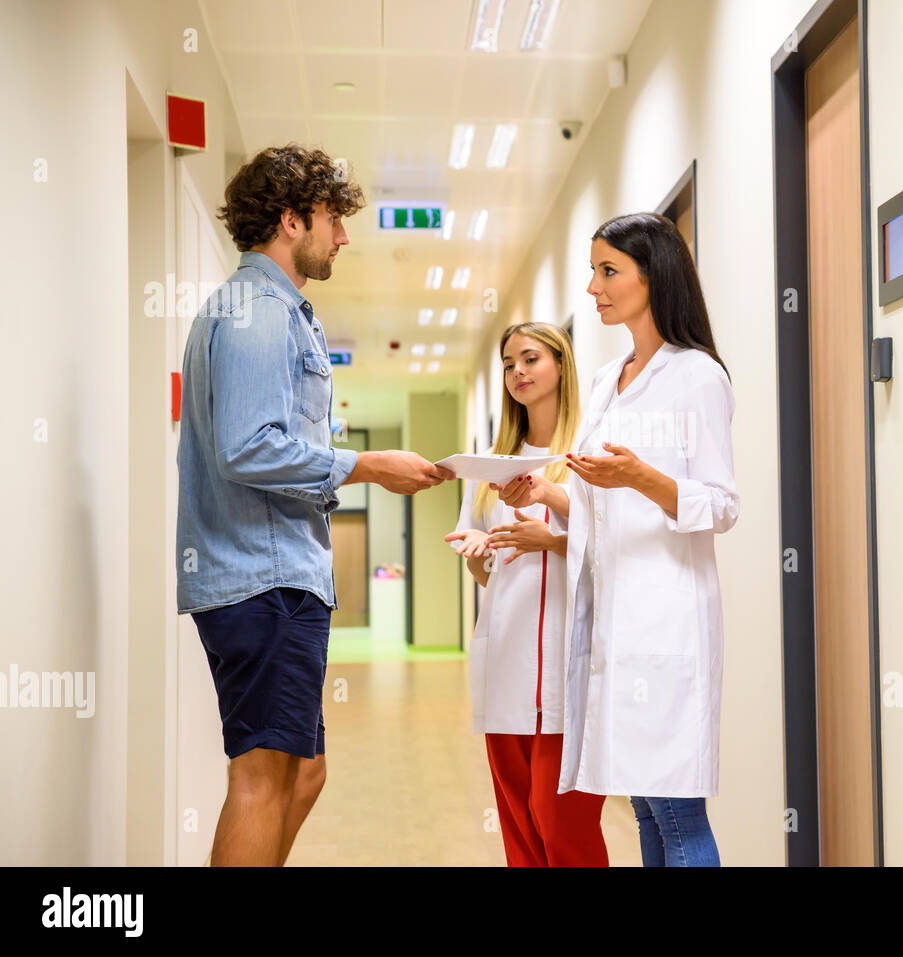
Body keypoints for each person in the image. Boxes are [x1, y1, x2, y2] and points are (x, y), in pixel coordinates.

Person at [176, 144, 454, 867]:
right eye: (334, 219)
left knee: (302, 772)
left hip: (278, 576)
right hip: (259, 578)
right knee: (264, 777)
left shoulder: (269, 309)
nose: (344, 237)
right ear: (292, 219)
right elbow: (247, 446)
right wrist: (364, 464)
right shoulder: (259, 311)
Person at [560, 212, 739, 866]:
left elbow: (721, 504)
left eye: (608, 271)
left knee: (677, 810)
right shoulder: (610, 380)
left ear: (652, 276)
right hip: (617, 622)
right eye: (594, 270)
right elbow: (597, 502)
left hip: (667, 624)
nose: (593, 287)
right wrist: (544, 494)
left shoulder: (697, 376)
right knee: (644, 806)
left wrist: (640, 475)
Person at [444, 322, 608, 866]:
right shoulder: (492, 463)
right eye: (509, 363)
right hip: (507, 659)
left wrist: (553, 542)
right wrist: (477, 554)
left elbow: (616, 549)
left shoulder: (591, 451)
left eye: (531, 359)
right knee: (518, 823)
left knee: (560, 820)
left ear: (561, 364)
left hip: (568, 664)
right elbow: (492, 572)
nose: (518, 372)